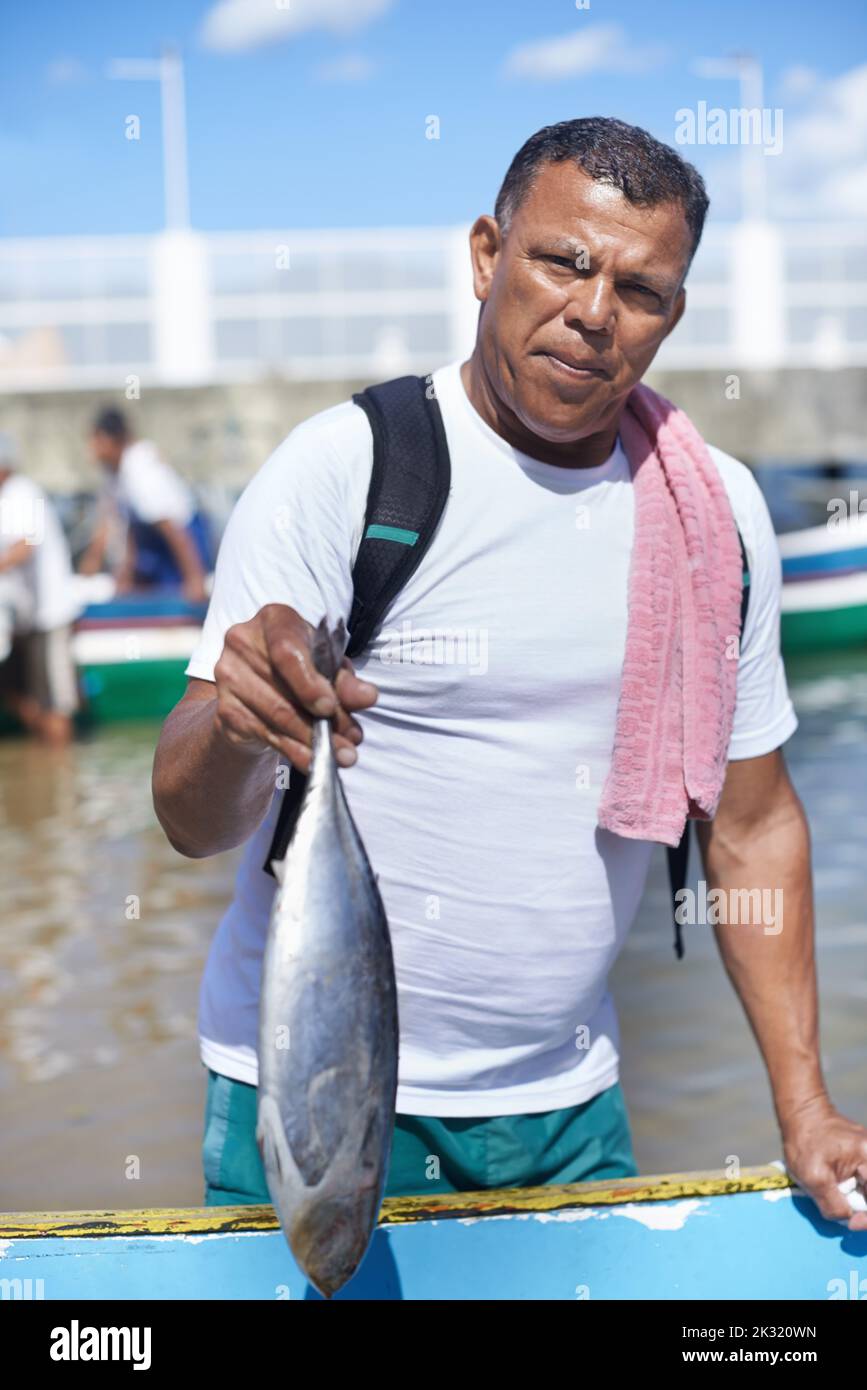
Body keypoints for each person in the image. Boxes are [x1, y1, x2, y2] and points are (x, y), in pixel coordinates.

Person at [153, 117, 867, 1228]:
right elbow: (192, 823)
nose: (593, 312)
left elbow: (754, 825)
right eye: (563, 261)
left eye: (641, 289)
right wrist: (240, 725)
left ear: (673, 314)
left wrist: (807, 1103)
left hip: (572, 1109)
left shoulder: (714, 514)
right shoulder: (350, 470)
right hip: (313, 1094)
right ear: (489, 254)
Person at [82, 408, 211, 603]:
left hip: (179, 546)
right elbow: (128, 529)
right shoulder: (115, 474)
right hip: (155, 546)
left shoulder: (141, 473)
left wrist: (195, 579)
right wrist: (124, 576)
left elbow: (171, 528)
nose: (92, 448)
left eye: (97, 440)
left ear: (113, 440)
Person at [0, 432, 80, 744]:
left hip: (50, 615)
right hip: (25, 620)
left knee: (57, 705)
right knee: (30, 699)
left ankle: (61, 777)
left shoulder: (25, 493)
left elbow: (27, 544)